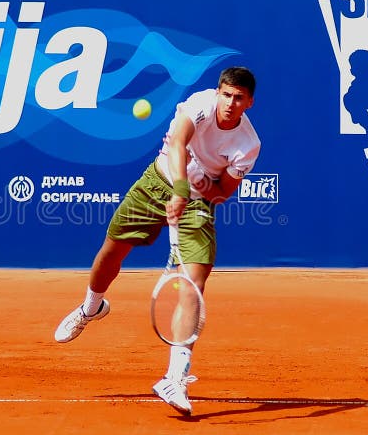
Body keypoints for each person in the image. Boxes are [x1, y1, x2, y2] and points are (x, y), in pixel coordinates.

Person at [54, 66, 261, 415]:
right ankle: (91, 308)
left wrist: (196, 187)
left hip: (197, 205)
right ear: (218, 93)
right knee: (111, 253)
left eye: (238, 98)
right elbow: (178, 142)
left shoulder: (248, 144)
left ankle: (175, 378)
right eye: (226, 95)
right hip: (156, 183)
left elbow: (222, 192)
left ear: (249, 103)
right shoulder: (200, 104)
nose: (230, 103)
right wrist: (180, 186)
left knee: (193, 285)